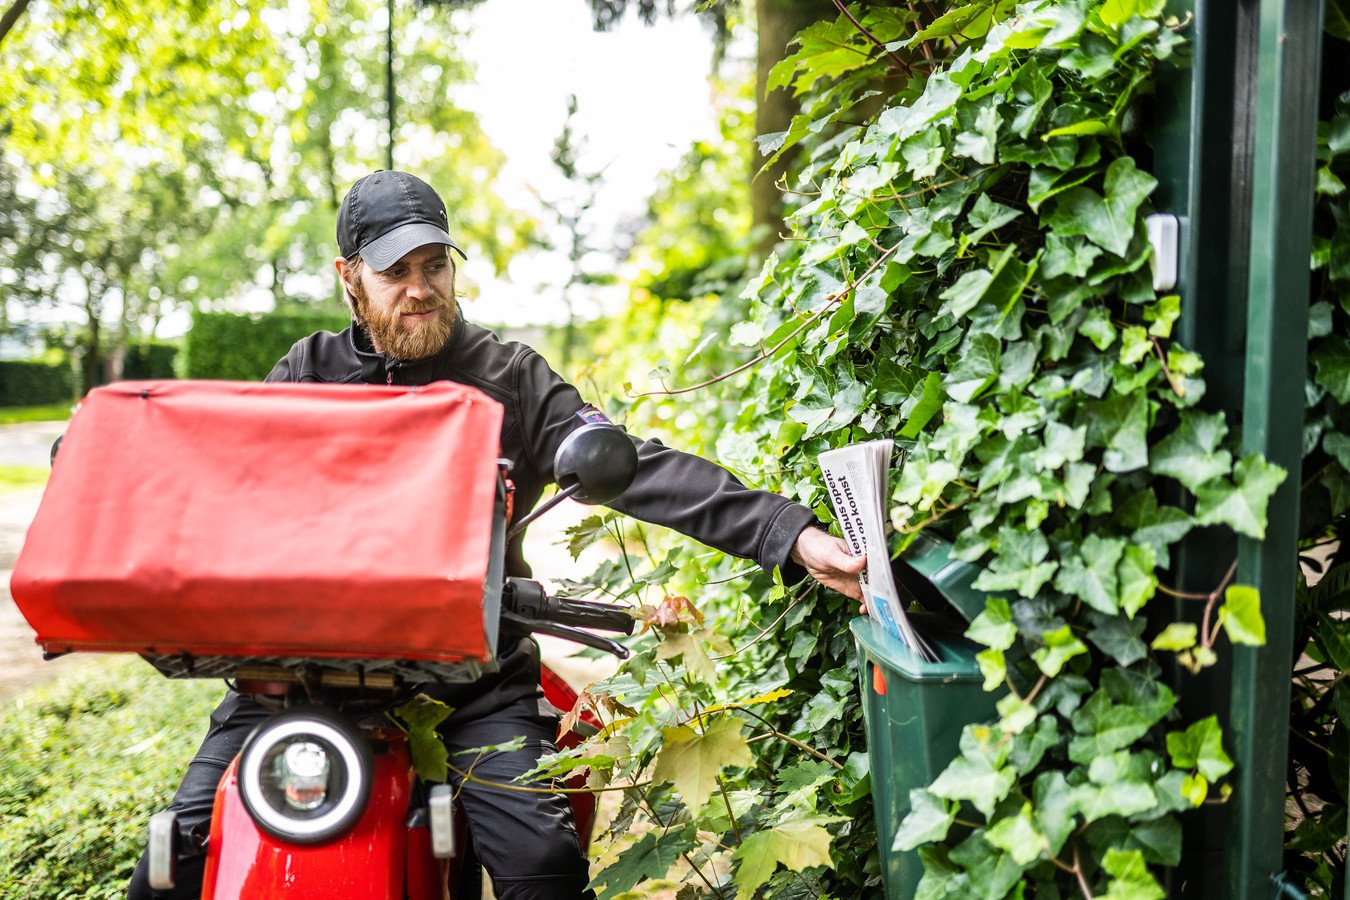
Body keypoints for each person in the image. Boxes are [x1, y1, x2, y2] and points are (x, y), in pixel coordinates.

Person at [127, 170, 864, 900]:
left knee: (542, 864)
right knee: (171, 865)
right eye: (396, 271)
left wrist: (790, 534)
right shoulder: (306, 373)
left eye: (436, 265)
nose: (422, 288)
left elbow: (636, 467)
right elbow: (216, 479)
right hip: (298, 682)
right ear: (349, 279)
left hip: (473, 681)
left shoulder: (508, 374)